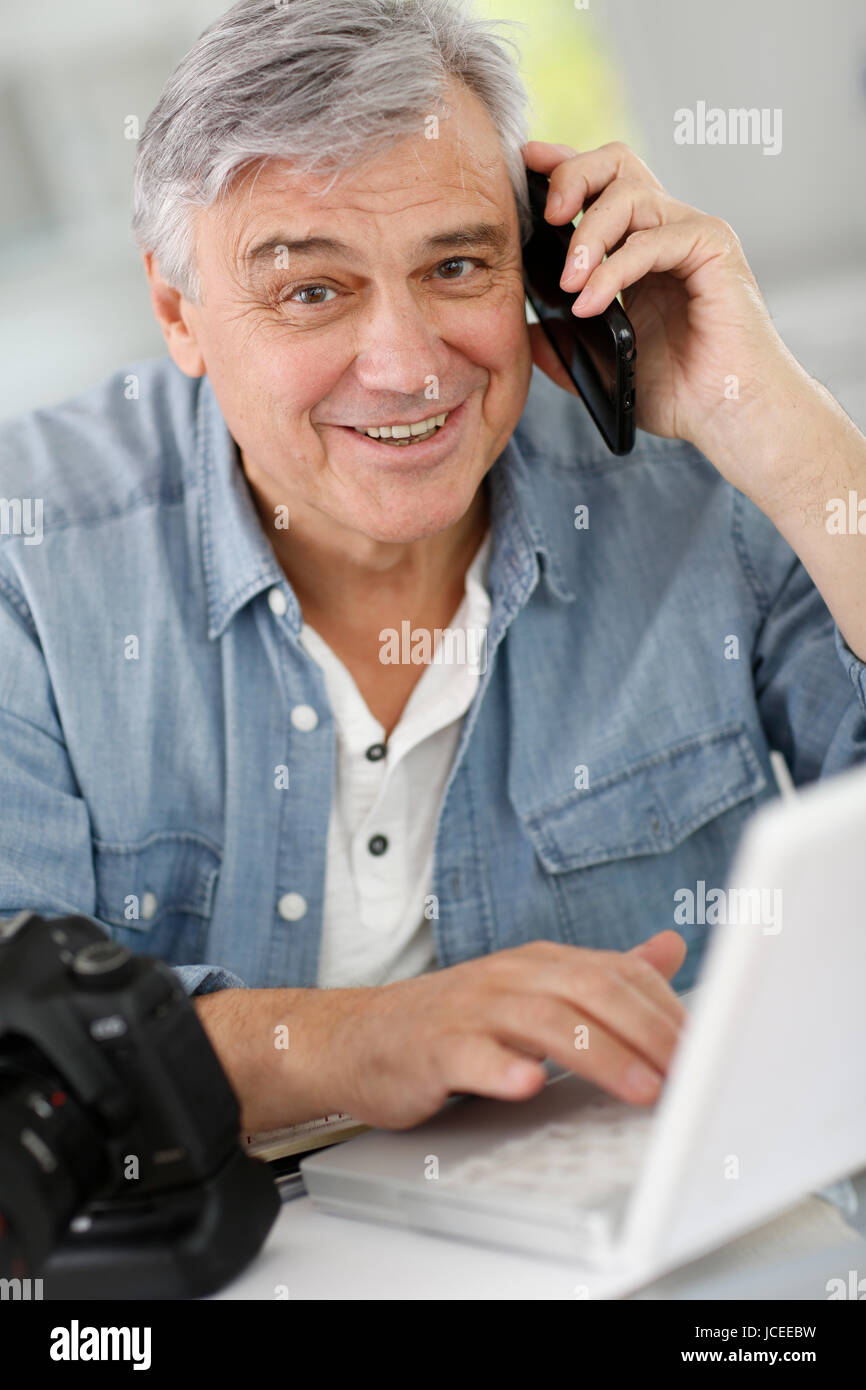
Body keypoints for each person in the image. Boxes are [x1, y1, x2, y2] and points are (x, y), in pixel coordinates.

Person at [1, 0, 864, 1135]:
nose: (408, 367)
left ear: (538, 265)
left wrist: (773, 422)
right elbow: (18, 1037)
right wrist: (359, 1040)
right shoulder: (33, 557)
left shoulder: (691, 475)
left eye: (456, 264)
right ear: (181, 309)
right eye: (313, 289)